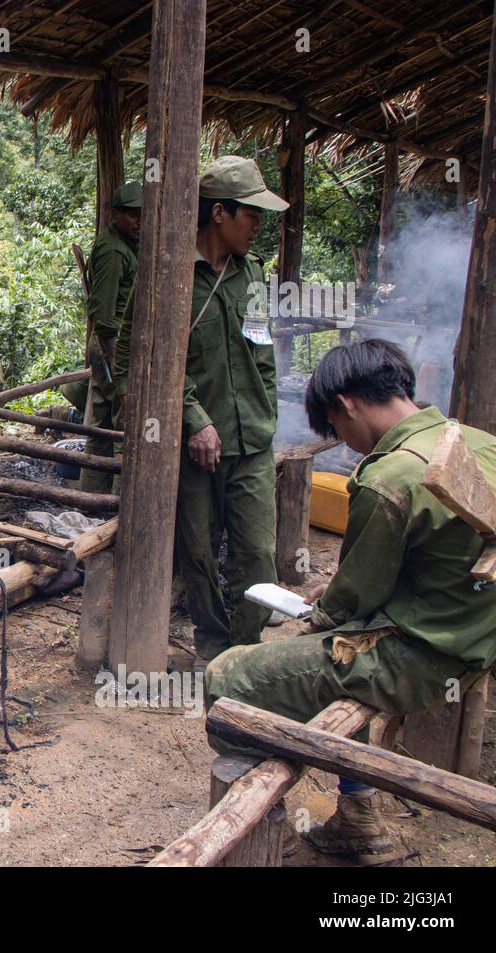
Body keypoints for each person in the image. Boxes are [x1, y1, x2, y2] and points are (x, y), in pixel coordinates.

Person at [205, 339, 496, 864]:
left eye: (336, 430)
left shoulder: (390, 477)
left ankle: (264, 823)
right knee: (321, 658)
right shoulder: (483, 444)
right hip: (481, 640)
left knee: (230, 676)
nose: (346, 445)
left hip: (424, 658)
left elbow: (351, 606)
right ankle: (357, 814)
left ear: (345, 404)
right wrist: (345, 588)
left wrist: (318, 612)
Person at [114, 156, 287, 660]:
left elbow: (264, 355)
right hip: (190, 448)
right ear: (219, 215)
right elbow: (135, 357)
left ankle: (247, 651)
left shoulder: (253, 274)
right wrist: (194, 418)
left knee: (257, 553)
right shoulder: (167, 274)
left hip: (252, 441)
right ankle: (213, 648)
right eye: (250, 215)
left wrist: (266, 415)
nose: (258, 225)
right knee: (199, 553)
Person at [78, 181, 141, 494]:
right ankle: (116, 504)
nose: (139, 221)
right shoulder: (113, 251)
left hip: (112, 347)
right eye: (132, 215)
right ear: (116, 215)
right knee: (122, 425)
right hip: (110, 347)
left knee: (104, 425)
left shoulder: (128, 246)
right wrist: (120, 363)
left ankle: (93, 498)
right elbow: (103, 314)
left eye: (143, 215)